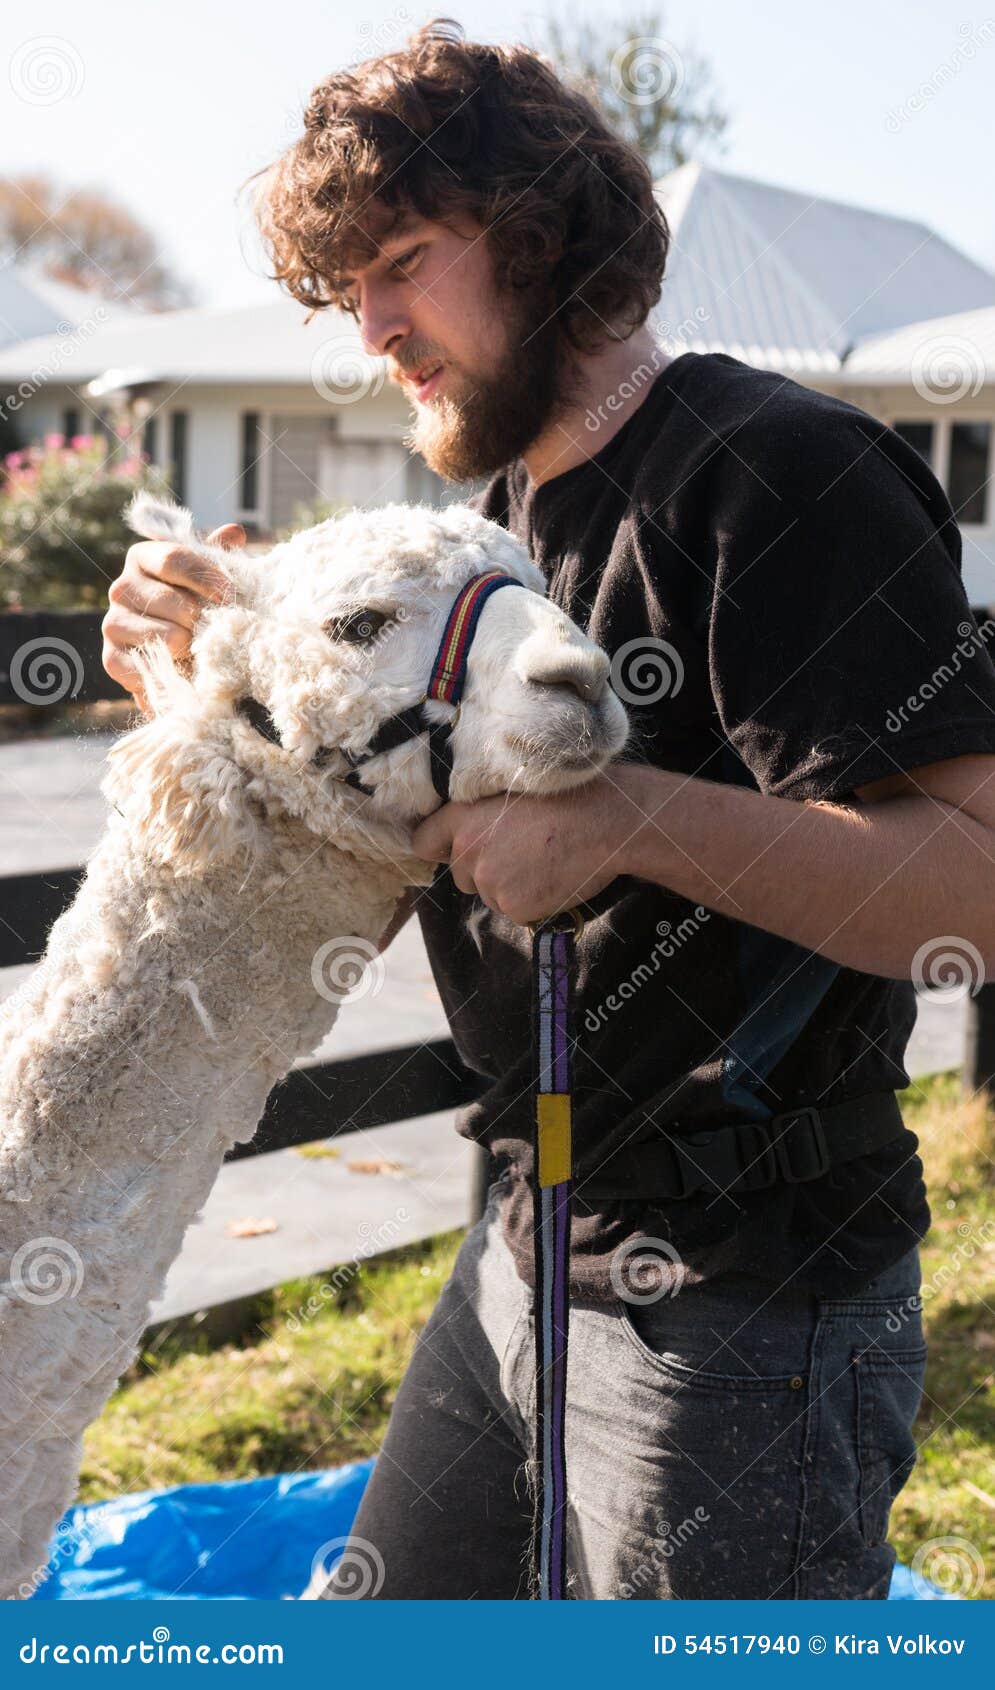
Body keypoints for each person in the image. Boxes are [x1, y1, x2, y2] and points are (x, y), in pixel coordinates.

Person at [102, 22, 995, 1600]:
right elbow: (368, 837)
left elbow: (976, 892)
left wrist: (630, 818)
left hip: (744, 1295)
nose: (369, 325)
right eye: (345, 287)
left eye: (401, 261)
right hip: (524, 1238)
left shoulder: (780, 476)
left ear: (540, 235)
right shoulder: (489, 531)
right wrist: (213, 669)